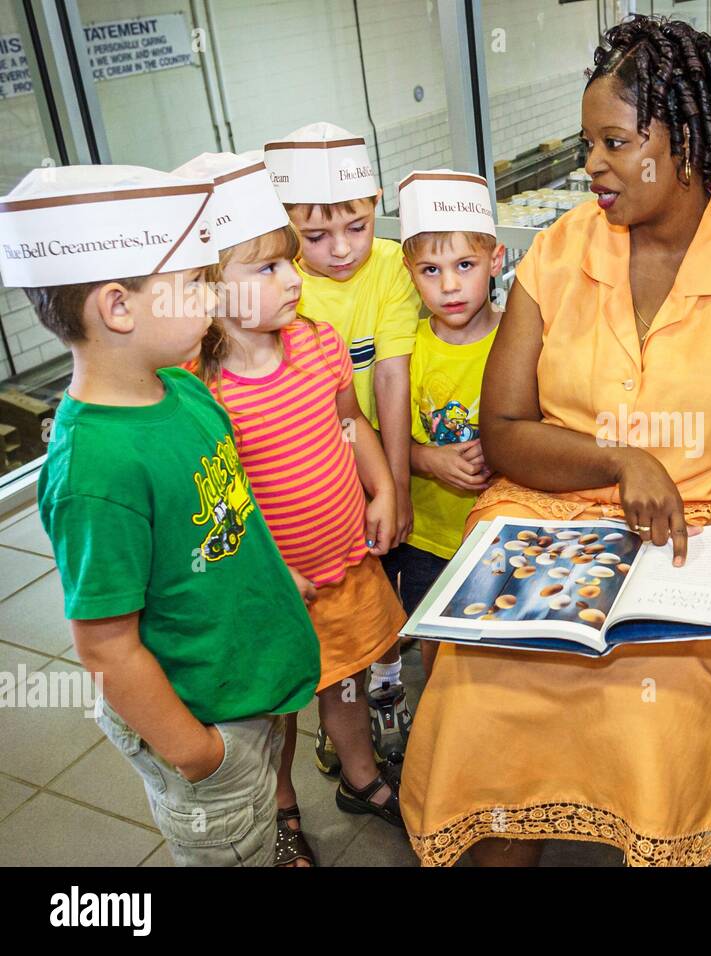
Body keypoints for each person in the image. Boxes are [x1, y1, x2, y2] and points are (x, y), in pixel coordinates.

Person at [399, 15, 711, 866]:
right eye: (588, 141)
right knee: (478, 695)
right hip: (547, 526)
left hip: (698, 546)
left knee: (653, 711)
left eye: (615, 142)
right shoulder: (558, 254)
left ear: (690, 143)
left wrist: (684, 576)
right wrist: (617, 460)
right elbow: (506, 431)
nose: (589, 164)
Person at [3, 164, 319, 865]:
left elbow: (220, 515)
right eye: (194, 284)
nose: (214, 297)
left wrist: (270, 580)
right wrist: (199, 754)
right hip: (205, 723)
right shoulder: (97, 470)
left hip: (243, 680)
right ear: (118, 307)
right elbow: (107, 648)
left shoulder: (185, 390)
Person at [179, 152, 407, 865]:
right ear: (211, 292)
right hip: (275, 589)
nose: (292, 278)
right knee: (274, 710)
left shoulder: (317, 342)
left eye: (287, 264)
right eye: (269, 269)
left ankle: (359, 775)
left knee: (345, 679)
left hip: (343, 565)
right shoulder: (202, 388)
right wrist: (271, 570)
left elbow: (351, 423)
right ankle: (282, 807)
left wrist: (385, 487)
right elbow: (221, 501)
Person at [264, 123, 420, 763]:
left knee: (375, 597)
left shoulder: (391, 268)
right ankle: (339, 717)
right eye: (315, 236)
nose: (339, 250)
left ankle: (378, 696)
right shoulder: (278, 289)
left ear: (376, 203)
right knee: (321, 624)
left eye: (356, 227)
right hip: (303, 476)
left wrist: (397, 485)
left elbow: (390, 374)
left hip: (373, 455)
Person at [392, 170, 504, 676]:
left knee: (497, 645)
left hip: (500, 528)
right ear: (408, 272)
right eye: (430, 271)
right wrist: (427, 458)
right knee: (436, 643)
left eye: (465, 264)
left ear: (495, 259)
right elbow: (381, 435)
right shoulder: (407, 350)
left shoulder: (519, 339)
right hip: (430, 538)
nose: (450, 285)